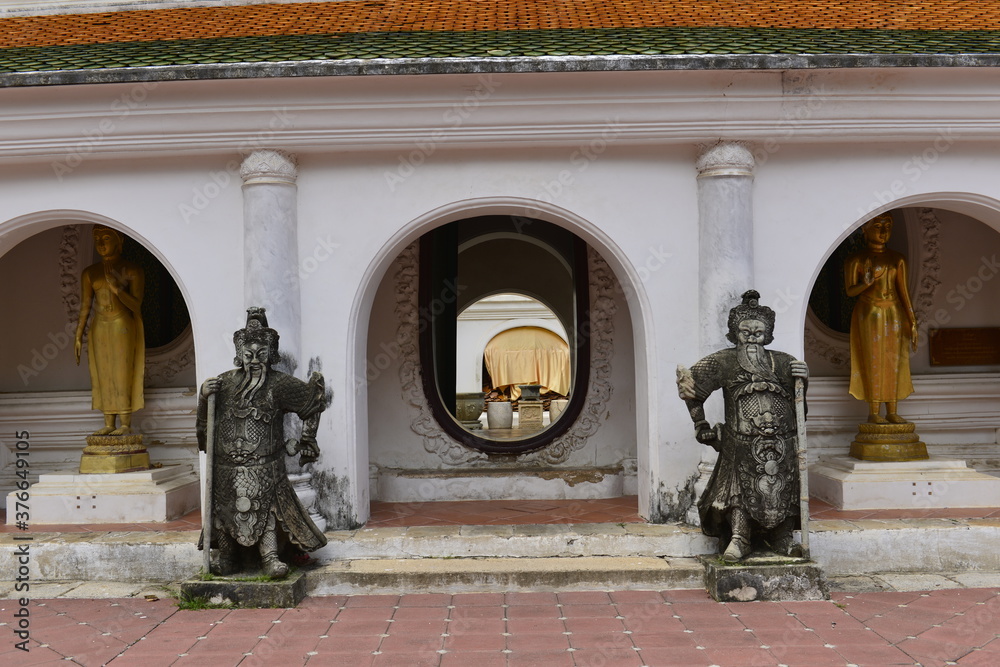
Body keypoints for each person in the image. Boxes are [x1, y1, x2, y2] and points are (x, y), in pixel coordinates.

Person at [677, 290, 808, 562]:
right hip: (741, 441)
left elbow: (799, 408)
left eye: (758, 331)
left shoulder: (783, 362)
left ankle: (782, 536)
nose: (751, 336)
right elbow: (692, 388)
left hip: (783, 442)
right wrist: (700, 424)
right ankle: (740, 537)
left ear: (768, 334)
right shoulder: (724, 361)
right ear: (734, 332)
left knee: (784, 488)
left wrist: (803, 381)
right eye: (745, 330)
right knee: (738, 491)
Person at [197, 307, 327, 577]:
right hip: (226, 467)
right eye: (248, 355)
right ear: (239, 355)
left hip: (265, 466)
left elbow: (313, 400)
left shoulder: (278, 385)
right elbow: (205, 425)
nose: (254, 361)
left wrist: (307, 440)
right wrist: (202, 397)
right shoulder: (224, 383)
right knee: (223, 513)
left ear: (271, 355)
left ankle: (269, 557)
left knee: (266, 510)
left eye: (261, 354)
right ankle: (227, 557)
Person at [844, 214, 917, 424]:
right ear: (865, 230)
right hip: (869, 312)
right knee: (873, 359)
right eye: (877, 226)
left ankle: (892, 409)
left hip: (894, 311)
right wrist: (866, 284)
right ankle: (874, 410)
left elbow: (904, 293)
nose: (883, 232)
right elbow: (850, 291)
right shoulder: (855, 259)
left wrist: (912, 322)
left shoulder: (897, 259)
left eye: (887, 226)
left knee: (894, 359)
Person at [75, 226, 145, 436]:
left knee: (122, 372)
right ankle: (108, 423)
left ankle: (125, 423)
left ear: (119, 240)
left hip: (122, 324)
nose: (101, 243)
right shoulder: (90, 272)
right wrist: (78, 335)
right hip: (100, 326)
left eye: (106, 238)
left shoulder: (133, 270)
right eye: (97, 238)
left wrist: (117, 290)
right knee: (103, 373)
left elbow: (136, 305)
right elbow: (86, 306)